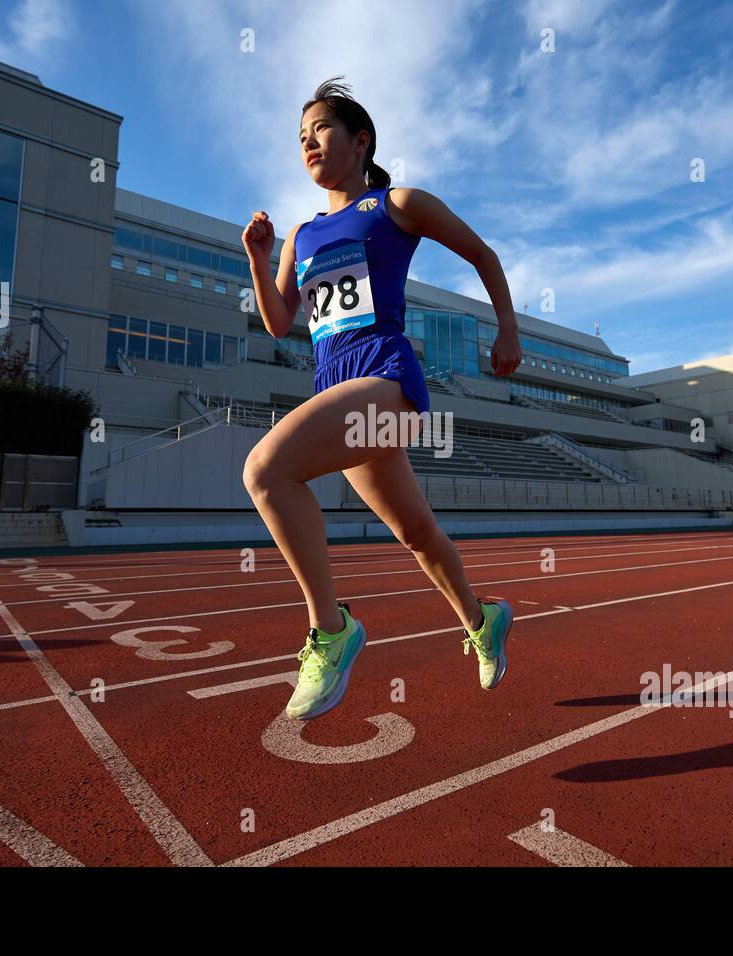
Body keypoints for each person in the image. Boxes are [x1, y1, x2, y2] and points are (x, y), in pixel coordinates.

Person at [241, 77, 523, 720]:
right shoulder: (300, 236)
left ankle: (331, 631)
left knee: (264, 470)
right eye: (300, 137)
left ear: (360, 140)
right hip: (334, 385)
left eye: (320, 129)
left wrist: (507, 327)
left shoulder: (395, 204)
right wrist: (259, 260)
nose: (308, 142)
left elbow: (482, 253)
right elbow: (281, 321)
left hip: (384, 375)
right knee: (417, 532)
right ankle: (483, 621)